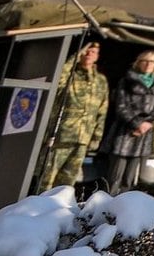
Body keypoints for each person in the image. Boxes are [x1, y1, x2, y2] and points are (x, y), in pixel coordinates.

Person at [37, 36, 108, 191]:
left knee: (67, 183)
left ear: (97, 56)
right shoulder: (70, 75)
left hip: (83, 138)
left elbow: (102, 110)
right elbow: (60, 75)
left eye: (93, 52)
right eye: (86, 51)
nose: (89, 54)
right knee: (47, 179)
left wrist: (96, 137)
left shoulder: (100, 81)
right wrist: (75, 56)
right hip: (62, 135)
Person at [99, 49, 154, 193]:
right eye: (145, 61)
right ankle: (107, 202)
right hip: (125, 132)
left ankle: (125, 203)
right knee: (114, 177)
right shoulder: (126, 81)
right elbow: (121, 106)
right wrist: (136, 124)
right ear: (138, 63)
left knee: (129, 178)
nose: (148, 64)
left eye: (152, 62)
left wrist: (147, 124)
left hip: (144, 134)